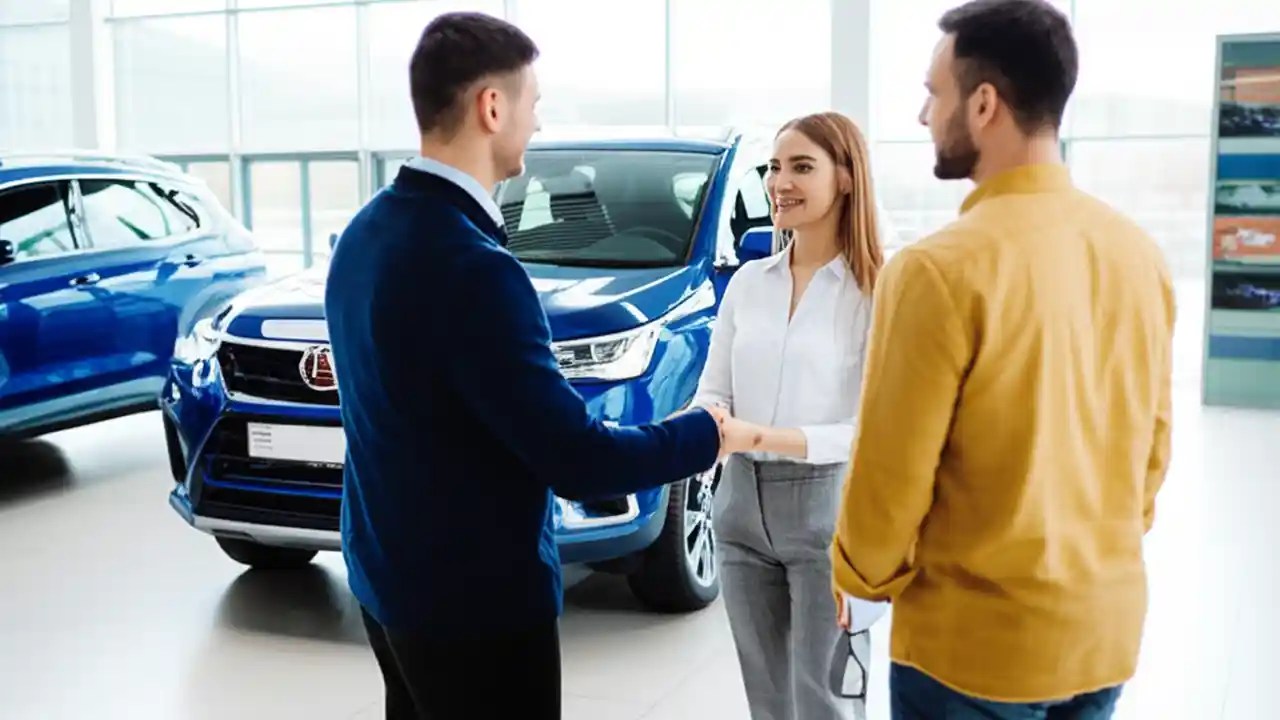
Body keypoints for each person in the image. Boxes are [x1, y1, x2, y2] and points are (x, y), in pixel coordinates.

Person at [323, 12, 765, 720]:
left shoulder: (365, 232)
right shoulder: (478, 270)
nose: (536, 120)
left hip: (385, 579)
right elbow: (577, 458)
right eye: (533, 102)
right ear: (490, 107)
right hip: (475, 612)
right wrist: (706, 433)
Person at [830, 1, 1176, 719]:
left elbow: (891, 480)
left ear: (984, 104)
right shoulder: (1138, 255)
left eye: (934, 92)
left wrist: (859, 576)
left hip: (975, 651)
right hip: (1103, 633)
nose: (924, 115)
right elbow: (1152, 455)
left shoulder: (937, 270)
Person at [693, 111, 885, 720]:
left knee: (825, 699)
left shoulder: (875, 293)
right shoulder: (749, 284)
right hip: (740, 506)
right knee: (769, 702)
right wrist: (704, 427)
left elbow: (872, 427)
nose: (781, 181)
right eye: (776, 166)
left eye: (802, 167)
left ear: (847, 180)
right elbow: (712, 392)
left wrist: (763, 435)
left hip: (827, 513)